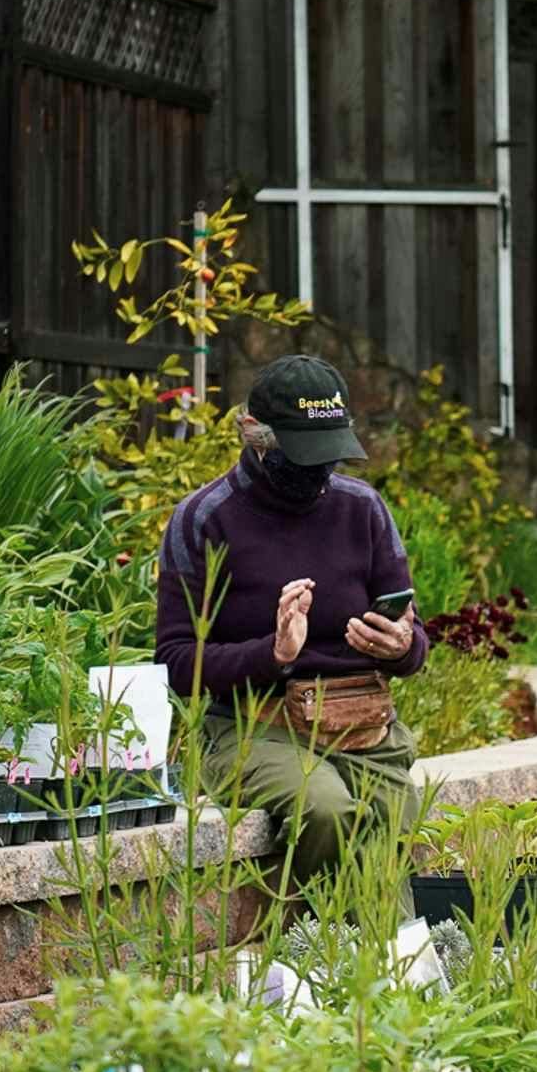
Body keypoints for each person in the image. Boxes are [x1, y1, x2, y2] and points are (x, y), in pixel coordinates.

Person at [152, 354, 428, 891]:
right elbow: (174, 663)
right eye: (304, 455)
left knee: (393, 822)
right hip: (253, 726)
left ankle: (381, 967)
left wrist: (399, 647)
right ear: (257, 436)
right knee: (325, 809)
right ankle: (322, 951)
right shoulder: (204, 520)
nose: (320, 470)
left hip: (361, 722)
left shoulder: (363, 510)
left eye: (330, 455)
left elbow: (417, 642)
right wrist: (272, 653)